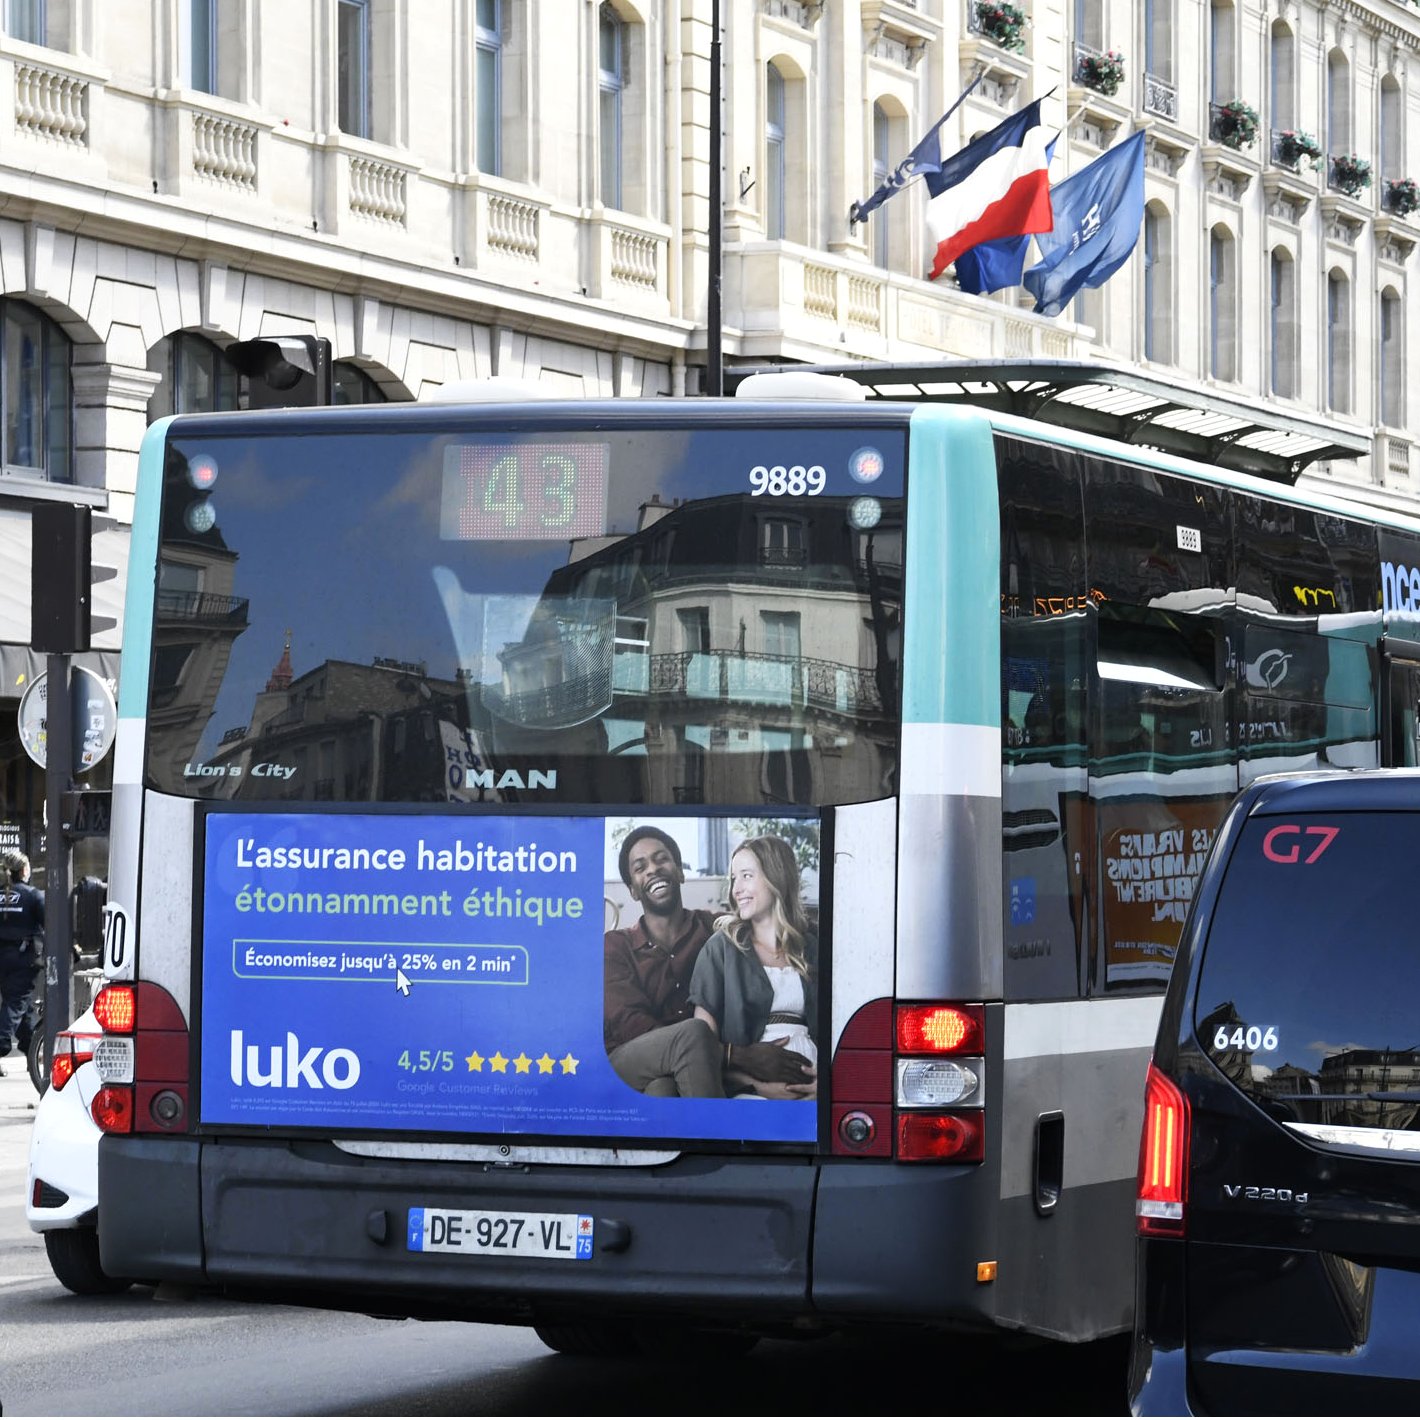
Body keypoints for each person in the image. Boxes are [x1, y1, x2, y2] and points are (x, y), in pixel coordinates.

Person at [603, 826, 816, 1098]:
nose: (653, 869)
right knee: (694, 1032)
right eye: (640, 867)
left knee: (662, 1089)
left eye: (661, 859)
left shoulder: (716, 930)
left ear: (680, 872)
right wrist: (734, 1054)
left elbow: (769, 923)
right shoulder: (615, 947)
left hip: (688, 1067)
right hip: (629, 1060)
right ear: (633, 890)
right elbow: (631, 1026)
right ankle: (718, 1140)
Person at [689, 835, 817, 1101]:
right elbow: (704, 1048)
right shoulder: (720, 949)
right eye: (734, 878)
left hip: (816, 1091)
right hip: (750, 1092)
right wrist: (758, 1088)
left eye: (746, 876)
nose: (736, 889)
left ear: (776, 876)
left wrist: (824, 1086)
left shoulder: (813, 946)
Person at [0, 849, 44, 1075]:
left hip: (3, 959)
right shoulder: (33, 896)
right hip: (23, 959)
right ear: (24, 870)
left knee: (22, 1009)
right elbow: (51, 926)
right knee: (16, 1003)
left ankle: (31, 1050)